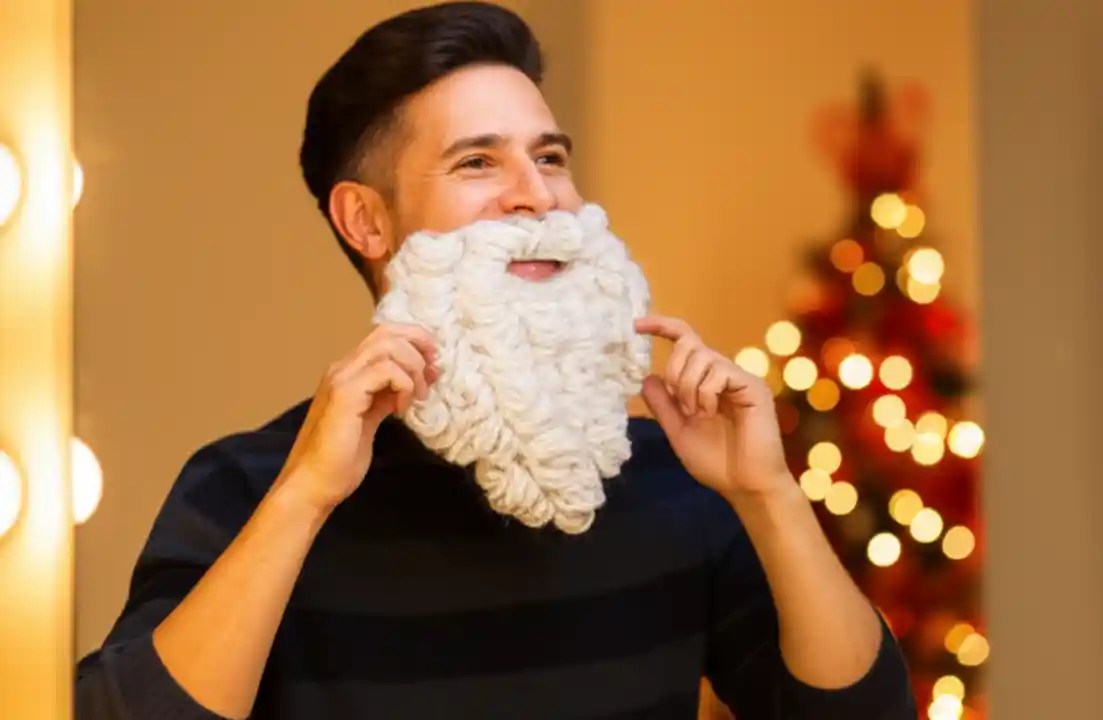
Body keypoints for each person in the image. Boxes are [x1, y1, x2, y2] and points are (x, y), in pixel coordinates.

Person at [74, 3, 915, 718]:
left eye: (549, 157)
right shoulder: (249, 486)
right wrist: (305, 498)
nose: (538, 194)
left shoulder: (677, 477)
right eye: (478, 162)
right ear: (366, 223)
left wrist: (767, 496)